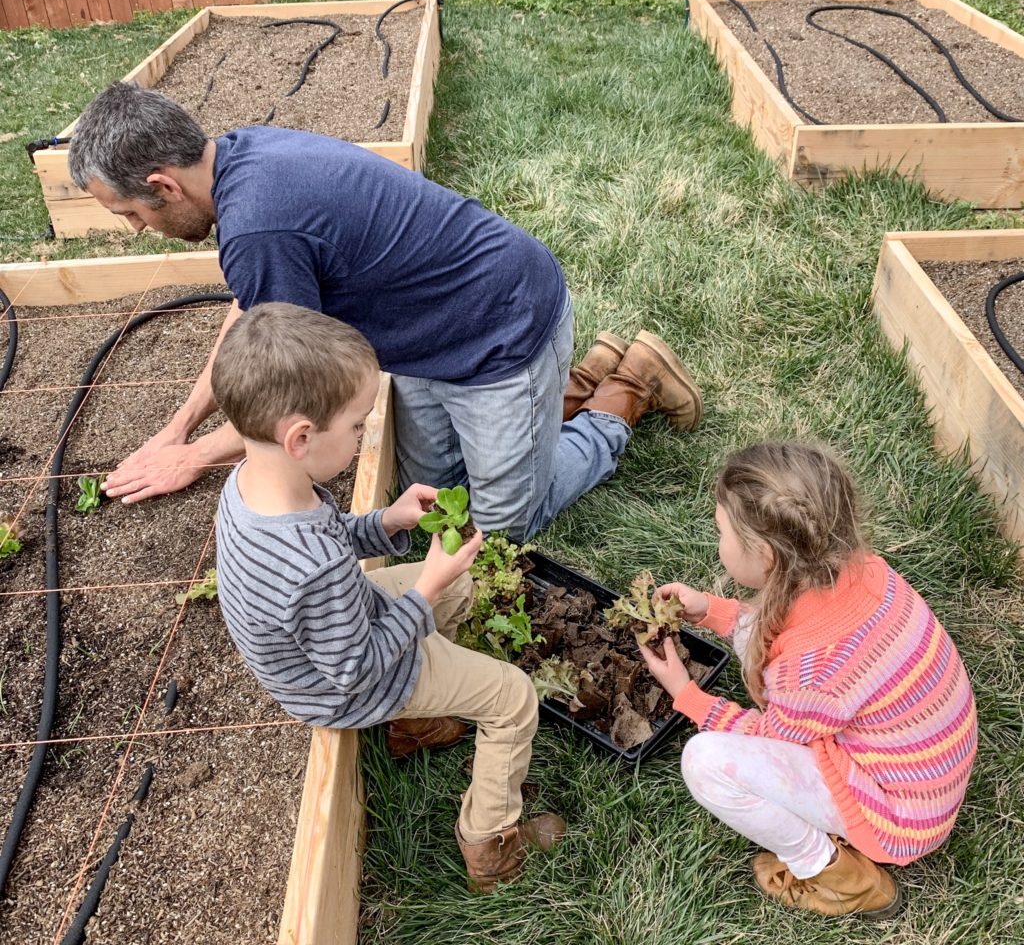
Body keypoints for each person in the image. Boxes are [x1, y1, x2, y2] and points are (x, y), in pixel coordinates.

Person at [67, 81, 703, 542]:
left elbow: (287, 396)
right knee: (433, 495)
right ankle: (576, 378)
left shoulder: (259, 227)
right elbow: (251, 319)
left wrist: (195, 457)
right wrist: (180, 425)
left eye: (130, 215)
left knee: (500, 524)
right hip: (431, 336)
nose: (138, 229)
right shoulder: (240, 154)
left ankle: (625, 395)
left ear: (161, 185)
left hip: (501, 329)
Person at [210, 301, 565, 891]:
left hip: (334, 643)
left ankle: (419, 723)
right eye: (356, 426)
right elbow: (359, 666)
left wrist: (388, 523)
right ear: (300, 437)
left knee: (460, 587)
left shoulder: (254, 487)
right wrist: (423, 589)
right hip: (348, 684)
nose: (359, 436)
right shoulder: (313, 567)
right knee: (513, 697)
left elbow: (331, 540)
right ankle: (490, 843)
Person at [638, 441, 977, 918]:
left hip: (901, 814)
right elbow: (781, 623)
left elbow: (770, 736)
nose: (718, 546)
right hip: (925, 770)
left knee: (704, 762)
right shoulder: (862, 573)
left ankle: (837, 875)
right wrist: (713, 611)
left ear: (765, 556)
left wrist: (688, 697)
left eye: (721, 533)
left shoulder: (810, 671)